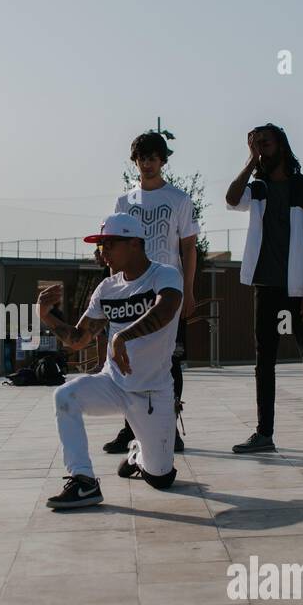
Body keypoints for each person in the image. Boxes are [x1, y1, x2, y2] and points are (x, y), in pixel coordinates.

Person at [40, 213, 182, 510]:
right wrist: (46, 316)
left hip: (153, 392)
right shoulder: (107, 288)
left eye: (109, 244)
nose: (102, 252)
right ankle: (83, 481)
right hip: (114, 383)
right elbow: (78, 339)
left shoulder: (164, 275)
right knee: (65, 396)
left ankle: (138, 454)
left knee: (161, 478)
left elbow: (166, 310)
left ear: (134, 243)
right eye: (100, 245)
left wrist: (122, 337)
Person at [225, 124, 303, 454]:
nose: (260, 149)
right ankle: (264, 433)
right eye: (255, 144)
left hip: (298, 288)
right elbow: (232, 199)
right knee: (265, 361)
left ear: (282, 146)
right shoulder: (256, 188)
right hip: (266, 286)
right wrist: (249, 162)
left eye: (265, 143)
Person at [105, 130, 198, 455]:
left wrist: (188, 289)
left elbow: (188, 248)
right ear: (136, 161)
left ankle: (168, 428)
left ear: (163, 161)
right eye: (142, 158)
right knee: (126, 360)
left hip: (166, 291)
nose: (147, 163)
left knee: (168, 363)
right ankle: (129, 429)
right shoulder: (124, 202)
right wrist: (114, 288)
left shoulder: (179, 199)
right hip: (132, 290)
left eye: (153, 157)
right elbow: (113, 249)